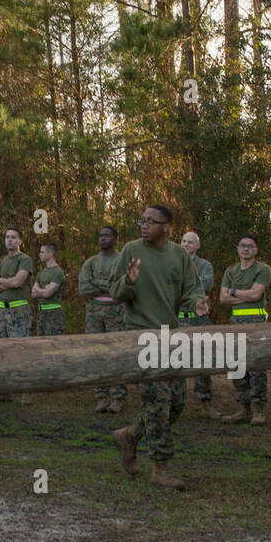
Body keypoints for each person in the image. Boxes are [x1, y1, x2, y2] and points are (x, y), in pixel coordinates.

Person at [110, 204, 207, 489]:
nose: (143, 225)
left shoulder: (178, 254)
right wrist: (128, 282)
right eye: (142, 220)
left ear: (167, 226)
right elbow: (114, 292)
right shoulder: (130, 250)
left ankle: (129, 434)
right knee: (158, 403)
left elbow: (191, 288)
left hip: (170, 336)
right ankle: (160, 467)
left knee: (176, 403)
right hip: (140, 335)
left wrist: (197, 302)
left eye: (151, 221)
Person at [218, 235, 271, 425]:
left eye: (250, 246)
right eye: (243, 245)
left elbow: (257, 294)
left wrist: (233, 292)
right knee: (236, 364)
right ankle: (243, 408)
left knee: (256, 365)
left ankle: (259, 410)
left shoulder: (262, 269)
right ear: (238, 248)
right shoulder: (231, 271)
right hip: (235, 322)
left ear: (256, 250)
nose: (246, 249)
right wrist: (245, 295)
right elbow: (222, 299)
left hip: (256, 322)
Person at [79, 225, 127, 413]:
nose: (102, 239)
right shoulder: (90, 263)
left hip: (117, 312)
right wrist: (109, 285)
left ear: (115, 239)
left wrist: (97, 283)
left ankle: (118, 397)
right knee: (95, 353)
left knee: (117, 354)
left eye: (106, 236)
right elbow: (83, 289)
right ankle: (101, 397)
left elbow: (123, 287)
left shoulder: (122, 261)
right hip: (94, 314)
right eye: (100, 236)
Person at [0, 227, 33, 403]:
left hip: (19, 311)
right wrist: (8, 283)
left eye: (13, 237)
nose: (9, 240)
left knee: (21, 350)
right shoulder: (0, 261)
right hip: (0, 311)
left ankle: (26, 391)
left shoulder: (25, 259)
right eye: (7, 237)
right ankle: (3, 391)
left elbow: (18, 282)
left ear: (20, 241)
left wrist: (2, 282)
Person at [178, 231, 218, 417]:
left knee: (203, 361)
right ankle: (174, 403)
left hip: (199, 319)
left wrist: (183, 285)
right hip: (177, 320)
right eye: (184, 241)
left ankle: (206, 403)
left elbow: (204, 287)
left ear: (198, 246)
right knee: (174, 362)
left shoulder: (205, 265)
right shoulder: (172, 263)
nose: (186, 245)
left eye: (190, 242)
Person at [31, 243, 66, 336]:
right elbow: (33, 294)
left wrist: (39, 290)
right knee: (41, 344)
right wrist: (44, 290)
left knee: (54, 344)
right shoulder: (41, 273)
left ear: (50, 254)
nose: (39, 254)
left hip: (54, 314)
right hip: (41, 313)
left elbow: (48, 294)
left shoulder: (58, 272)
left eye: (42, 252)